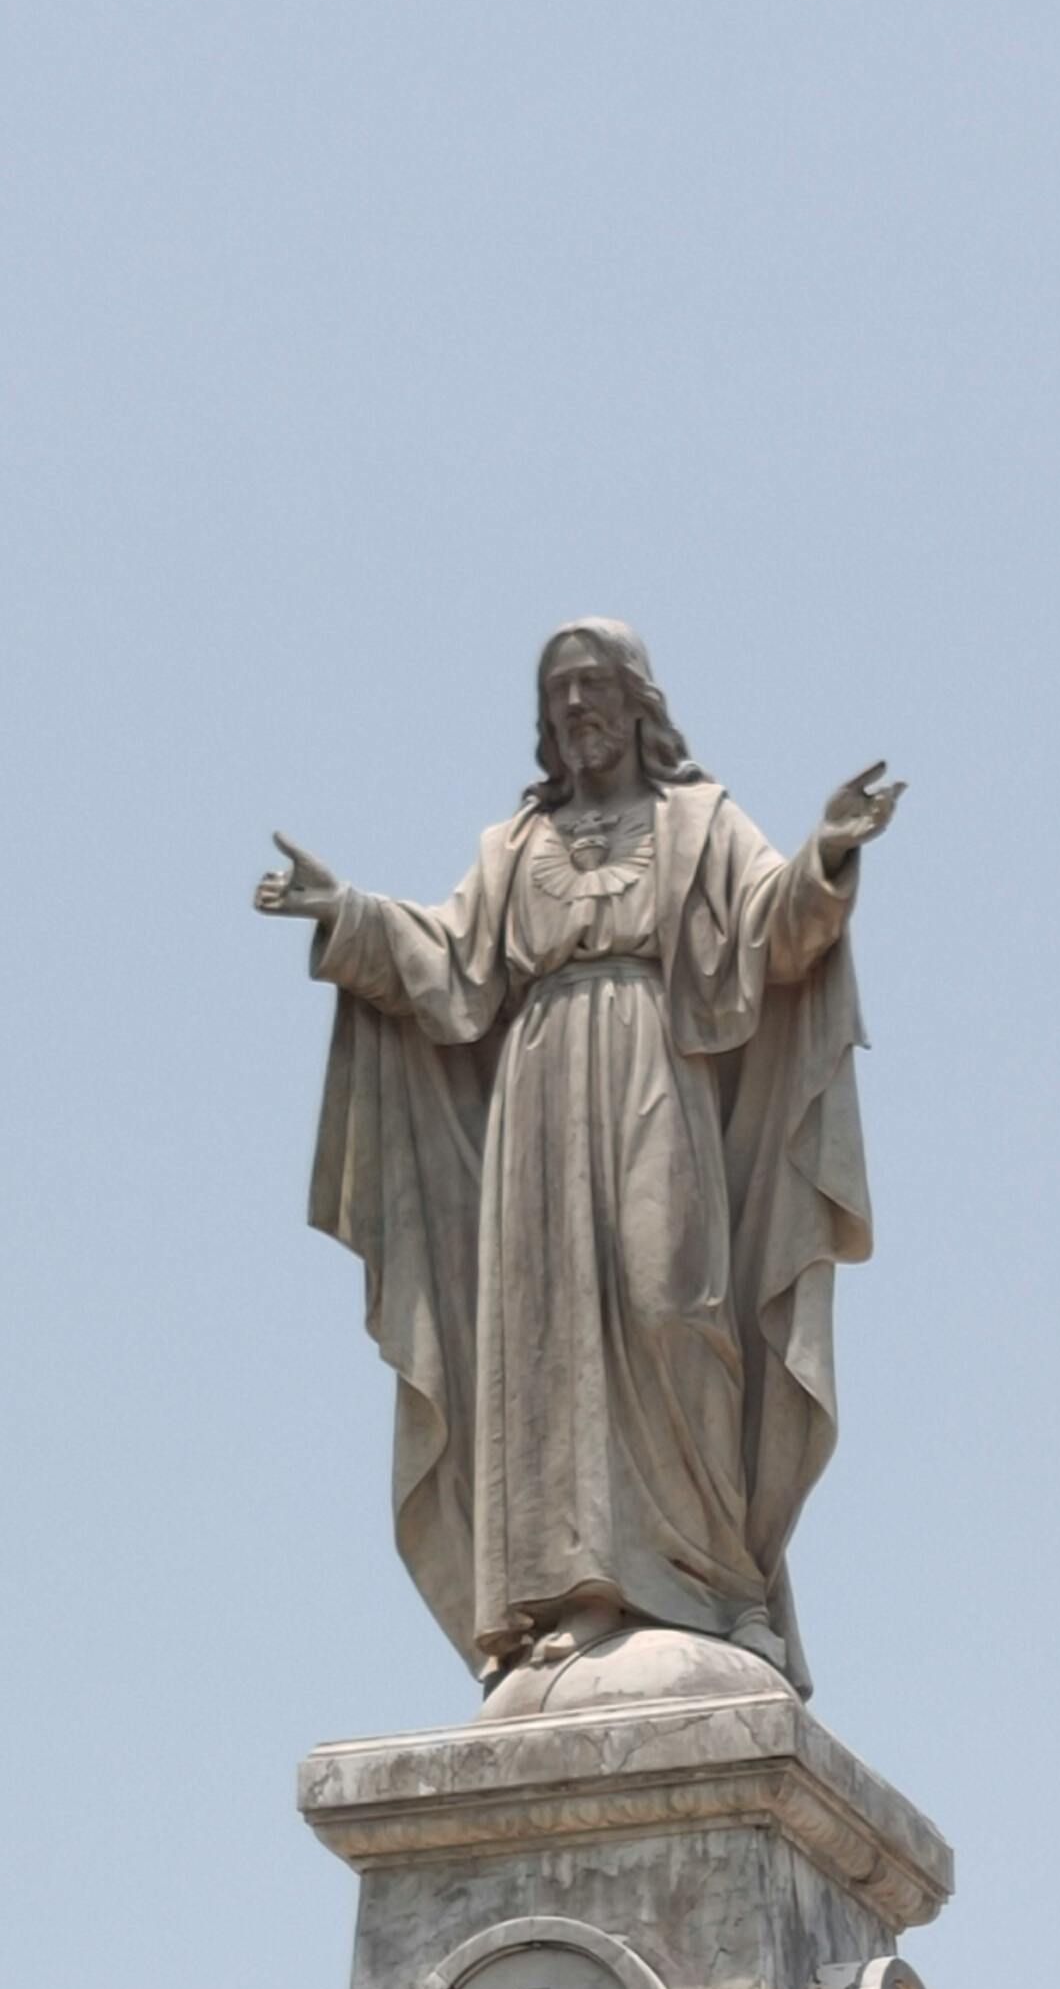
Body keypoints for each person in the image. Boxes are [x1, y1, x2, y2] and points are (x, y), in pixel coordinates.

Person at [254, 619, 903, 1697]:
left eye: (595, 685)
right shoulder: (515, 847)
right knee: (551, 1338)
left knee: (672, 1303)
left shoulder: (698, 820)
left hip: (656, 1064)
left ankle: (720, 1586)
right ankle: (577, 1589)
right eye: (558, 691)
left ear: (640, 703)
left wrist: (828, 852)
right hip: (539, 1090)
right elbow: (448, 963)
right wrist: (347, 913)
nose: (575, 707)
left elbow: (773, 932)